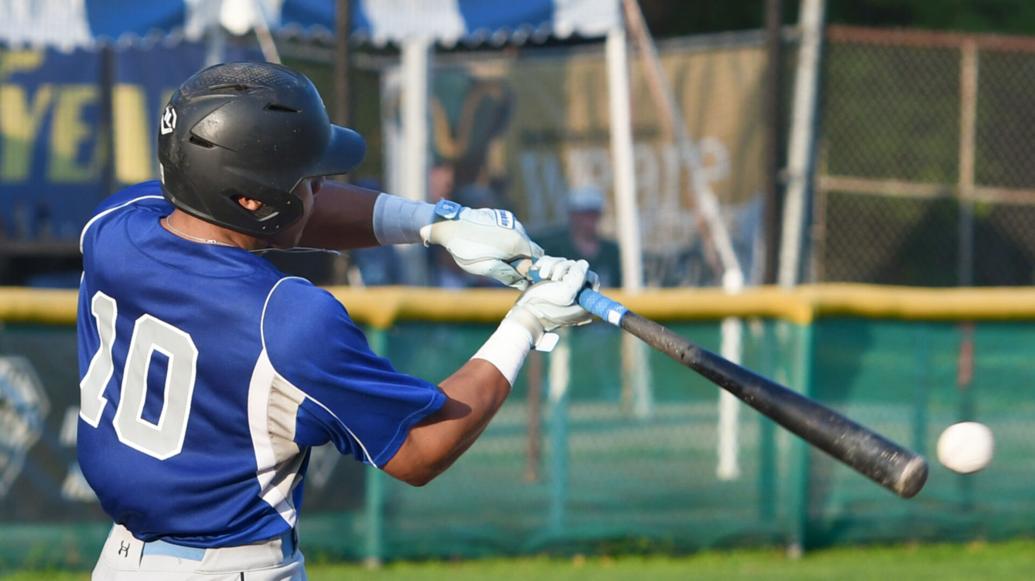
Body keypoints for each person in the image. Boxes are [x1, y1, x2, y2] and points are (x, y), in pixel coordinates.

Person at [76, 62, 595, 581]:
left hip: (121, 564)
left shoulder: (116, 225)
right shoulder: (287, 318)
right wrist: (526, 325)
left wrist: (436, 223)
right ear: (253, 200)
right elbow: (421, 448)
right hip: (232, 567)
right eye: (310, 179)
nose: (320, 187)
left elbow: (273, 211)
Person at [537, 185, 623, 287]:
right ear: (572, 215)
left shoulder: (611, 251)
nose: (587, 221)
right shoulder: (553, 247)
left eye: (592, 215)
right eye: (582, 214)